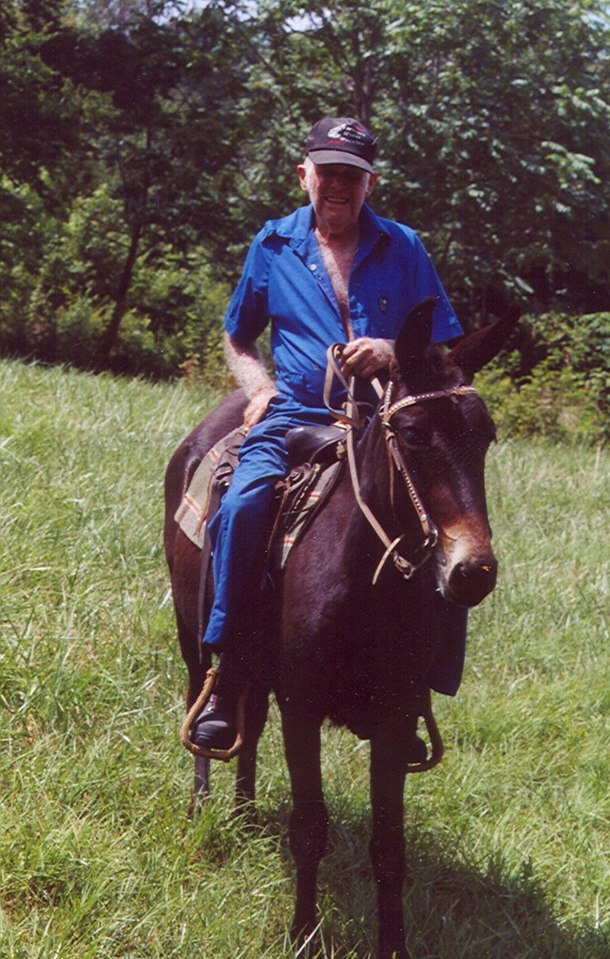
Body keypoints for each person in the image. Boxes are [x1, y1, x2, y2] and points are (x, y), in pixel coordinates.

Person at [191, 116, 467, 750]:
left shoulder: (405, 246)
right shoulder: (273, 244)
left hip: (385, 423)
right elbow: (237, 335)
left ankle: (418, 689)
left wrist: (393, 349)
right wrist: (258, 389)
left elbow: (444, 348)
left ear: (370, 183)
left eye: (352, 175)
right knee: (241, 502)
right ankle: (229, 673)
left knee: (450, 522)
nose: (338, 185)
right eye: (327, 172)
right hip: (294, 416)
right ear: (304, 175)